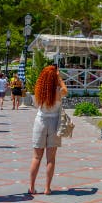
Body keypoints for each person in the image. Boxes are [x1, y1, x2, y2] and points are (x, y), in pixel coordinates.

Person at [29, 65, 68, 195]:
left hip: (40, 122)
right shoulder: (58, 91)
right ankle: (47, 188)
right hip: (54, 123)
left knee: (36, 157)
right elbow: (65, 91)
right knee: (50, 159)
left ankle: (32, 187)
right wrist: (60, 79)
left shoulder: (40, 91)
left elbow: (36, 105)